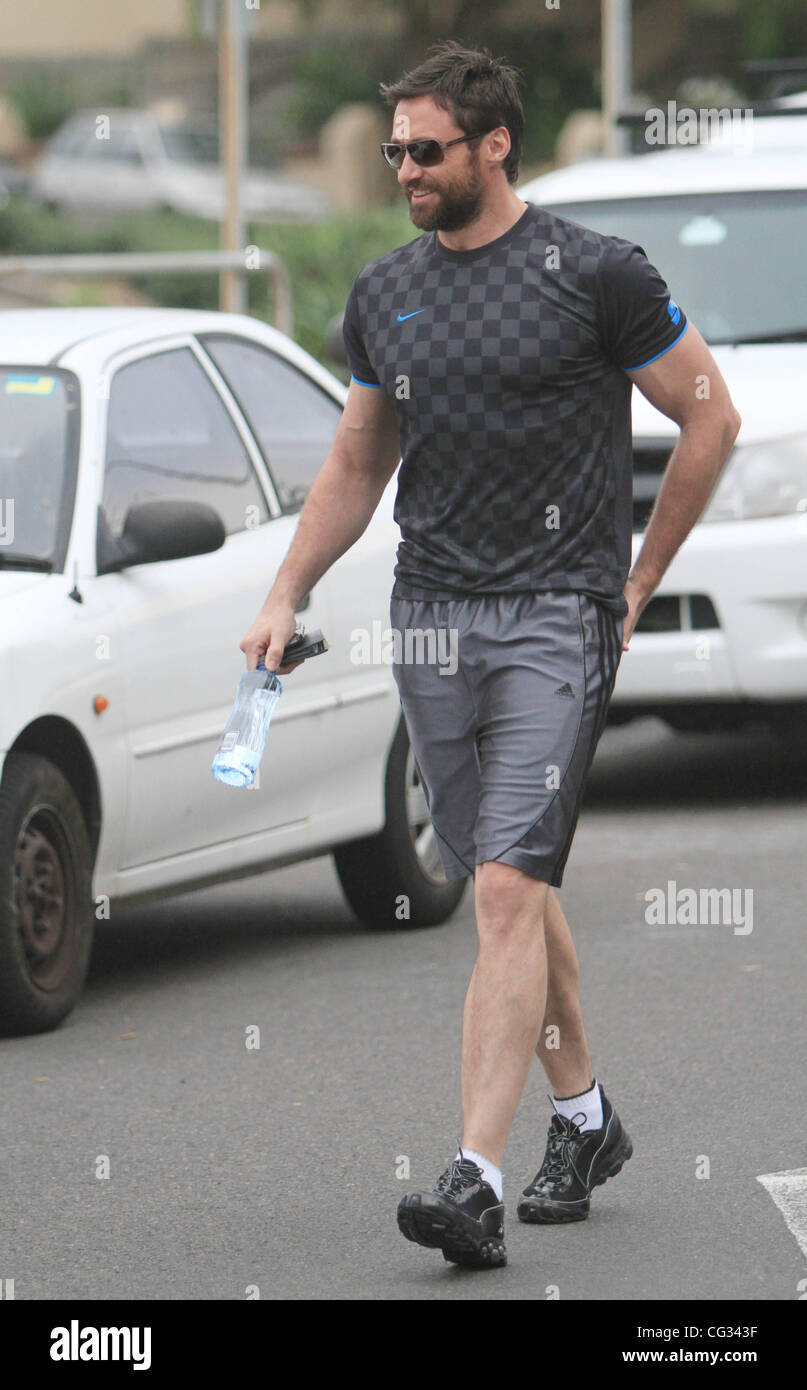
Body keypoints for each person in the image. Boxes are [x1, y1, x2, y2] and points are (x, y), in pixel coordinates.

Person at [239, 40, 741, 1270]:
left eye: (427, 149)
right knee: (509, 874)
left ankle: (474, 1177)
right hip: (432, 615)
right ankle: (587, 1116)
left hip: (559, 613)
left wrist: (635, 580)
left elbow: (711, 414)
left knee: (507, 889)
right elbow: (362, 457)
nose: (405, 166)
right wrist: (284, 587)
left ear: (493, 144)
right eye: (397, 148)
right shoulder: (386, 290)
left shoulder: (593, 274)